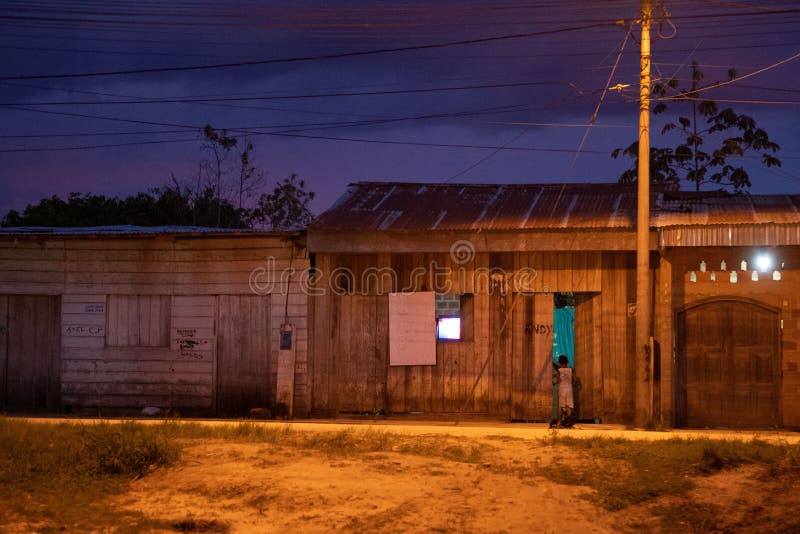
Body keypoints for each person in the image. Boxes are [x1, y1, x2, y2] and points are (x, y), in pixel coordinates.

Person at [556, 354, 575, 427]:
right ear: (567, 362)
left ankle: (559, 422)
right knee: (569, 406)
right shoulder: (571, 369)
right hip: (569, 389)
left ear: (559, 362)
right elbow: (574, 379)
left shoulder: (559, 370)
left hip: (562, 388)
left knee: (561, 406)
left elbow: (558, 381)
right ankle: (568, 423)